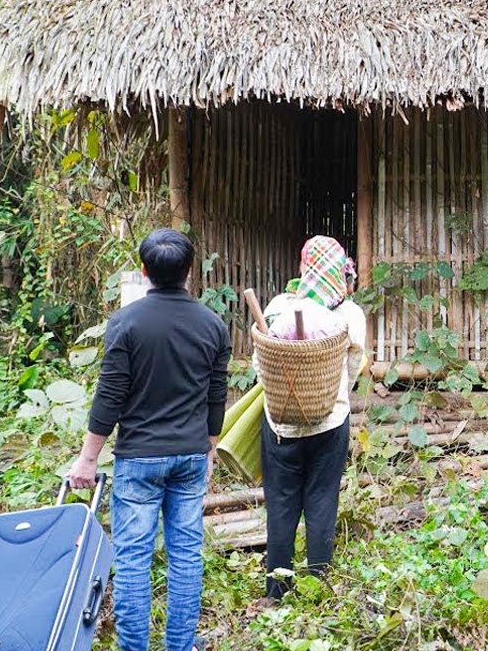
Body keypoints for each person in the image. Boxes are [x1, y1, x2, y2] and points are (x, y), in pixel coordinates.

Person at [68, 228, 230, 651]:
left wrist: (87, 459)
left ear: (144, 272)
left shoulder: (126, 323)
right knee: (186, 557)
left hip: (139, 459)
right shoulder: (213, 325)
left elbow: (110, 395)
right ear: (189, 271)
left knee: (134, 560)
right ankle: (180, 646)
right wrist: (210, 447)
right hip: (191, 456)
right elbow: (217, 396)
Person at [255, 235, 366, 600]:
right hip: (331, 422)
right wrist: (333, 395)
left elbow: (262, 366)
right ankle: (319, 585)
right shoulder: (349, 314)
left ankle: (277, 590)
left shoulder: (276, 307)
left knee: (281, 503)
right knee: (322, 499)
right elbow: (352, 366)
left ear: (304, 268)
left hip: (280, 425)